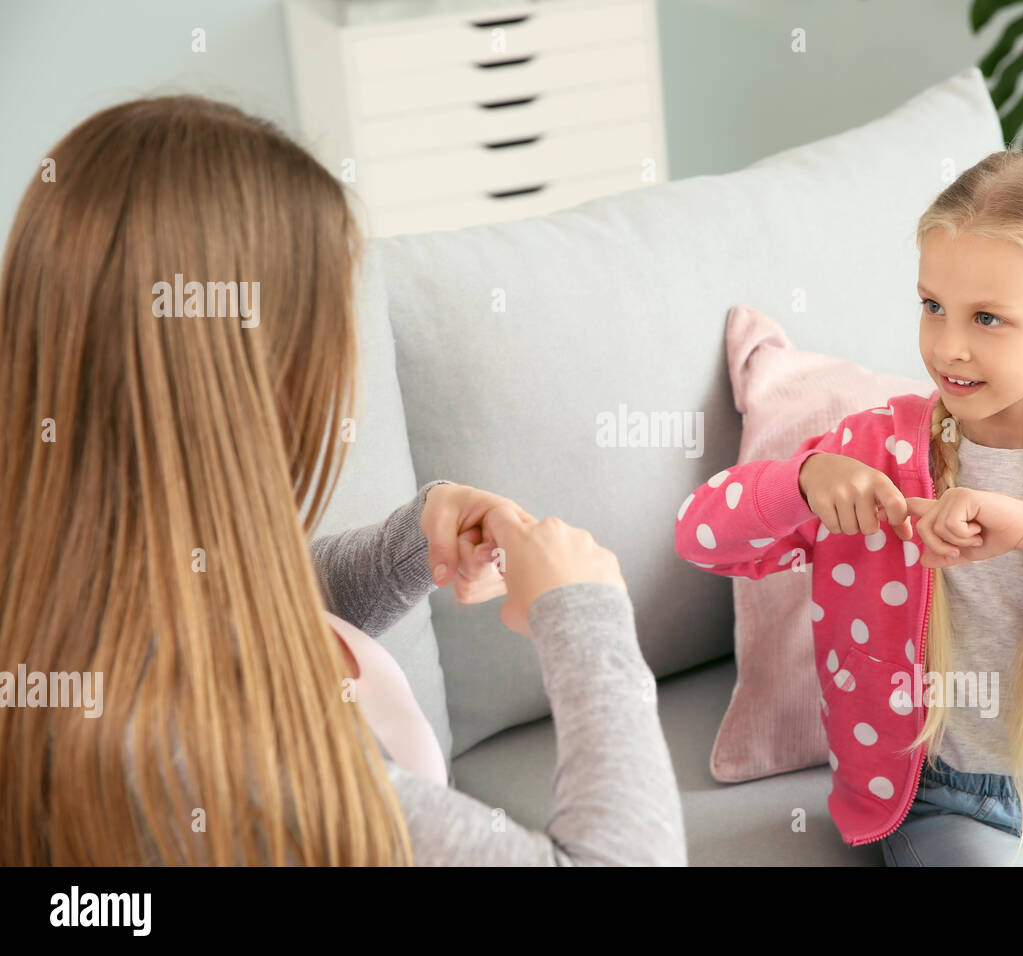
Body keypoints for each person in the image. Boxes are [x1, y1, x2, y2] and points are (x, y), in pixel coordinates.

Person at [0, 95, 685, 866]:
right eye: (333, 329)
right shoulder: (249, 763)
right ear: (256, 380)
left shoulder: (78, 603)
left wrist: (406, 545)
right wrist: (583, 616)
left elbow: (237, 613)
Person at [675, 138, 1023, 867]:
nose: (947, 346)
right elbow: (701, 538)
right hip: (945, 804)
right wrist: (802, 481)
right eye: (933, 306)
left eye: (987, 319)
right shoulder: (872, 453)